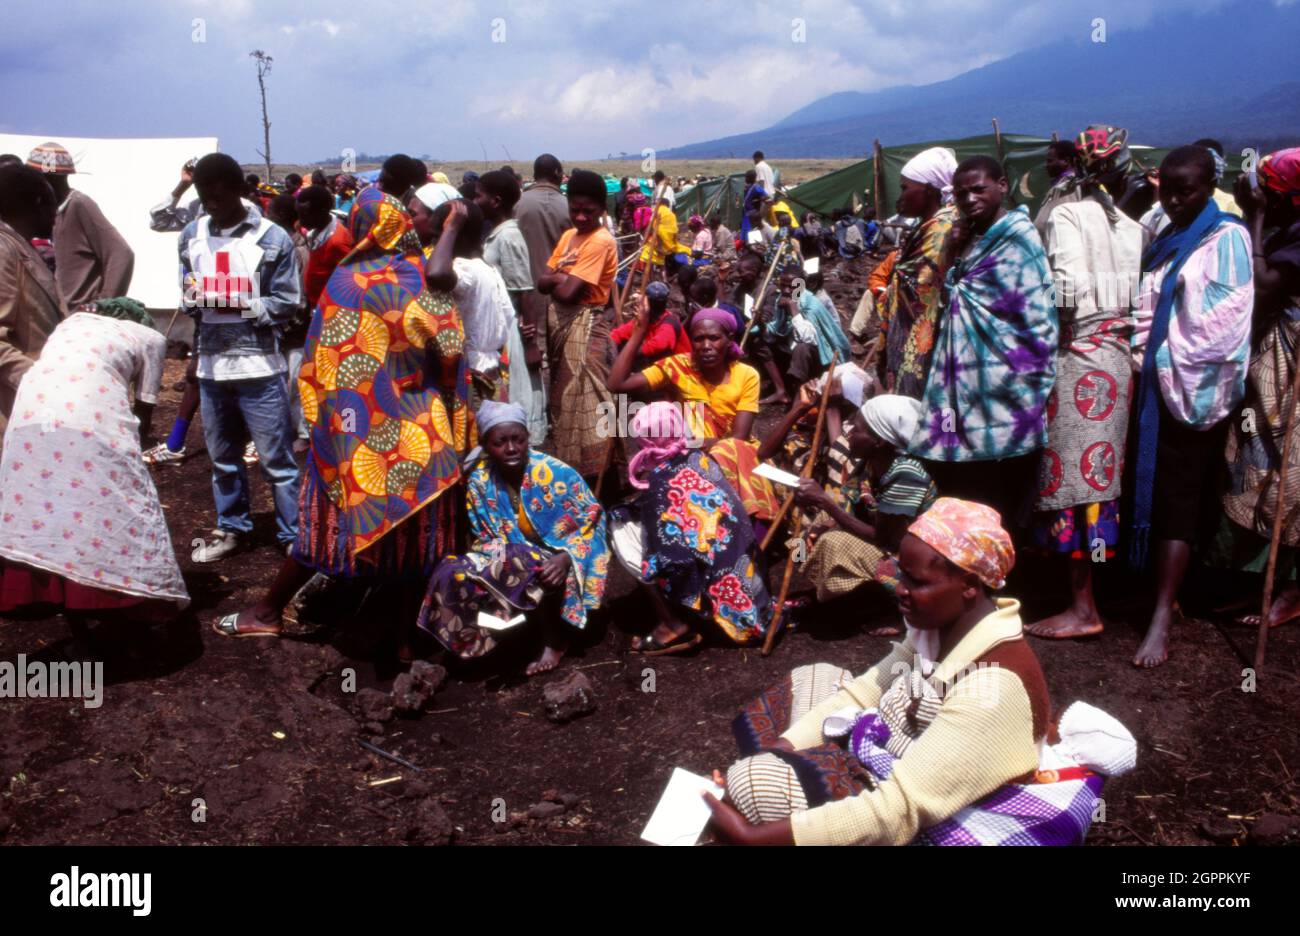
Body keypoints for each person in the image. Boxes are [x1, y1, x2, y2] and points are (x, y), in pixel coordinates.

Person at [708, 498, 1076, 845]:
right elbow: (868, 689)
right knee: (816, 676)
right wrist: (782, 747)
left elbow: (900, 808)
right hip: (916, 750)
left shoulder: (992, 686)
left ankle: (766, 808)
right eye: (903, 576)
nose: (900, 590)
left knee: (751, 784)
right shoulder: (940, 629)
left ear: (969, 586)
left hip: (944, 807)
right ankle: (776, 779)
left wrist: (749, 838)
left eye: (917, 582)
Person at [214, 185, 471, 641]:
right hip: (420, 429)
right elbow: (450, 351)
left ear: (361, 229)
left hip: (349, 431)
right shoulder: (422, 280)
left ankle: (269, 612)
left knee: (324, 530)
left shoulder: (342, 281)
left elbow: (318, 362)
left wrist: (324, 419)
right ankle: (408, 641)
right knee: (418, 536)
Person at [1128, 146, 1254, 667]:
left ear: (1209, 188)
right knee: (1153, 490)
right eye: (1169, 190)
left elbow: (1222, 327)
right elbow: (1148, 299)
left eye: (1188, 191)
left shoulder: (1229, 238)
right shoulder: (1165, 235)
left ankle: (1160, 616)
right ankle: (1158, 595)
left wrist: (1155, 350)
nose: (1177, 200)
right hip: (1153, 382)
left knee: (1179, 499)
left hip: (1194, 388)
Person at [0, 299, 190, 621]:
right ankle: (120, 599)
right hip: (88, 417)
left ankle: (49, 591)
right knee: (114, 506)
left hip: (31, 417)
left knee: (42, 504)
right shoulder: (152, 338)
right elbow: (145, 408)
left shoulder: (69, 325)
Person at [1028, 127, 1143, 640]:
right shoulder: (1133, 227)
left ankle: (1082, 606)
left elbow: (1068, 289)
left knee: (1076, 482)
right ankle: (1091, 593)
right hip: (1116, 360)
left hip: (1078, 357)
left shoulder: (1068, 216)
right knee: (1099, 479)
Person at [909, 156, 1057, 527]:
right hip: (964, 382)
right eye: (962, 193)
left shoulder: (1017, 237)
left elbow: (1034, 313)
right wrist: (955, 250)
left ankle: (1003, 574)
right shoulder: (969, 237)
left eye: (979, 189)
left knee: (1001, 494)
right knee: (963, 487)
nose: (971, 198)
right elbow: (949, 294)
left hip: (1005, 382)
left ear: (1003, 185)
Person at [418, 401, 608, 675]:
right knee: (450, 571)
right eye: (500, 442)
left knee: (522, 560)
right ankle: (478, 644)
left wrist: (566, 558)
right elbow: (485, 537)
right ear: (485, 445)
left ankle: (554, 640)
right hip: (510, 554)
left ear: (527, 439)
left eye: (517, 440)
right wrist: (495, 566)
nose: (510, 448)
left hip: (560, 556)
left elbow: (594, 524)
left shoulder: (556, 473)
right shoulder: (480, 481)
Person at [179, 153, 303, 563]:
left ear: (237, 190)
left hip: (260, 369)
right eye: (201, 194)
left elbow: (288, 301)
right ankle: (232, 527)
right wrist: (196, 299)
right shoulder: (191, 235)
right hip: (212, 367)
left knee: (277, 461)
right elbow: (188, 292)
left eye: (216, 193)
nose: (209, 201)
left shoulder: (272, 238)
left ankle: (292, 535)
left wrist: (241, 303)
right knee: (223, 458)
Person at [1215, 148, 1300, 630]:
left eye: (1271, 191)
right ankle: (1254, 580)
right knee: (1258, 463)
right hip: (1275, 362)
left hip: (1292, 368)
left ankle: (1289, 588)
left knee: (1291, 466)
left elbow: (1264, 284)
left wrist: (1256, 218)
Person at [611, 402, 771, 655]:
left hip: (730, 609)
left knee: (619, 524)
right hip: (755, 592)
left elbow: (672, 557)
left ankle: (673, 622)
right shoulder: (701, 458)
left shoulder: (659, 484)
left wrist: (676, 582)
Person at [608, 305, 781, 527]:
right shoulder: (678, 366)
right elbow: (617, 384)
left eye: (714, 338)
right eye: (698, 339)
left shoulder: (746, 375)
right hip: (689, 454)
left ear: (729, 339)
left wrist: (697, 444)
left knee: (728, 453)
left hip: (732, 454)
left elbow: (738, 437)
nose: (706, 346)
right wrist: (639, 333)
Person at [794, 393, 938, 621]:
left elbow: (885, 538)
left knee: (833, 543)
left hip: (908, 557)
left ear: (878, 441)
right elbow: (848, 503)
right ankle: (809, 575)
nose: (849, 432)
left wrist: (824, 502)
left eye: (857, 428)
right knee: (808, 528)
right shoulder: (870, 462)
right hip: (880, 536)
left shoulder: (906, 474)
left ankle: (888, 607)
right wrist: (823, 512)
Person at [535, 168, 617, 479]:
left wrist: (558, 276)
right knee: (566, 400)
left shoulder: (599, 241)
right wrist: (559, 277)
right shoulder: (570, 236)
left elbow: (568, 292)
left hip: (585, 325)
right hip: (563, 328)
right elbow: (542, 282)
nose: (580, 217)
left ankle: (601, 473)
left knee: (590, 398)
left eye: (588, 211)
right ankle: (573, 468)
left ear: (602, 209)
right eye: (575, 209)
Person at [876, 146, 959, 398]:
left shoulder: (940, 231)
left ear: (930, 190)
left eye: (905, 188)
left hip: (926, 340)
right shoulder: (929, 226)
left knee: (919, 407)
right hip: (911, 332)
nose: (900, 197)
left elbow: (925, 290)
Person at [416, 199, 511, 411]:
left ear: (457, 234)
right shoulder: (486, 268)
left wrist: (450, 228)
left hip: (472, 376)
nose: (433, 245)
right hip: (490, 370)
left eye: (436, 237)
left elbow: (435, 274)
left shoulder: (464, 269)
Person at [474, 169, 547, 444]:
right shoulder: (497, 234)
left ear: (495, 200)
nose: (475, 200)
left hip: (513, 331)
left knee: (517, 389)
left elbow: (525, 292)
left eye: (479, 195)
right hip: (502, 327)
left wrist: (531, 346)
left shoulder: (509, 237)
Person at [0, 166, 64, 445]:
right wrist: (42, 382)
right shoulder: (4, 250)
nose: (57, 212)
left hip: (31, 409)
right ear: (39, 202)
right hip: (14, 411)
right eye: (53, 202)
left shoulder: (23, 248)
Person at [26, 142, 134, 309]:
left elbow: (121, 254)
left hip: (79, 315)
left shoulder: (78, 204)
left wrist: (104, 304)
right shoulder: (40, 211)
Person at [609, 282, 689, 369]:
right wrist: (614, 359)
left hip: (682, 370)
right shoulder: (646, 319)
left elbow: (655, 346)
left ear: (646, 302)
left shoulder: (669, 324)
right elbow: (616, 335)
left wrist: (622, 359)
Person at [1033, 139, 1080, 241]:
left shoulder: (1071, 186)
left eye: (1050, 161)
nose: (1046, 165)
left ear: (1066, 161)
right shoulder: (1059, 186)